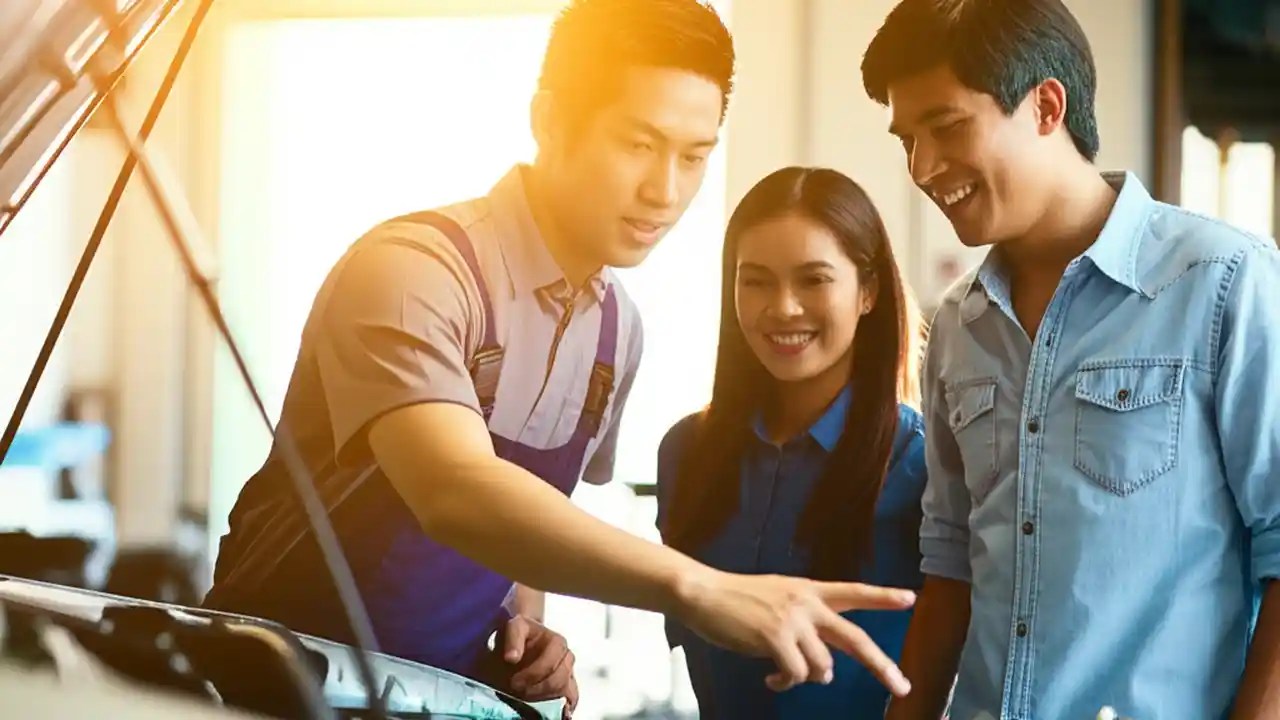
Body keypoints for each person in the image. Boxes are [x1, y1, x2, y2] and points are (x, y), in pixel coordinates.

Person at [203, 0, 916, 714]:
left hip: (435, 699)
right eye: (638, 144)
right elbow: (456, 490)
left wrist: (526, 624)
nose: (665, 192)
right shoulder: (413, 272)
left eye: (694, 156)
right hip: (274, 684)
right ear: (550, 120)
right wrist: (698, 586)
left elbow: (522, 524)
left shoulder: (615, 331)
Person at [859, 1, 1280, 719]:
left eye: (948, 127)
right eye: (907, 139)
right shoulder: (958, 324)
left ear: (1046, 105)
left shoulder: (1224, 284)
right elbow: (950, 563)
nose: (922, 168)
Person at [655, 166, 928, 718]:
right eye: (754, 280)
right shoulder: (686, 451)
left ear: (868, 291)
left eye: (813, 279)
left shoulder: (922, 463)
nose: (783, 307)